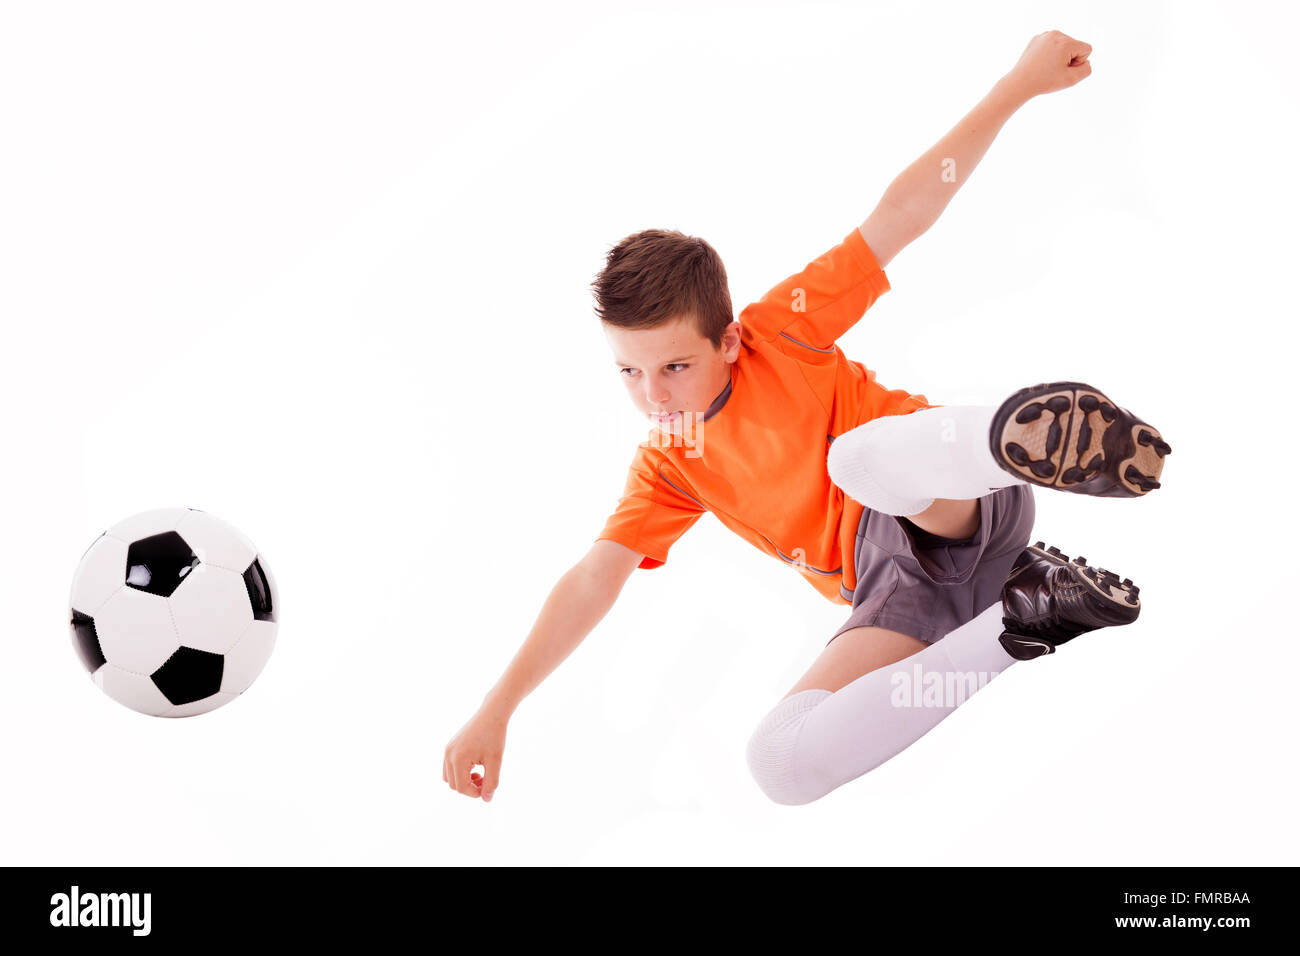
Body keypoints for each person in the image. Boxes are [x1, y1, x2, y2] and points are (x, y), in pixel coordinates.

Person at [443, 30, 1171, 805]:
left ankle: (1015, 438)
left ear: (726, 342)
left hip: (953, 498)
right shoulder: (670, 464)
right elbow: (594, 578)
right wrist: (498, 708)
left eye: (675, 367)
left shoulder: (777, 330)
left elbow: (900, 216)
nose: (653, 397)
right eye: (630, 373)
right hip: (915, 596)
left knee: (855, 461)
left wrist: (1017, 86)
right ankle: (1029, 616)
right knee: (779, 765)